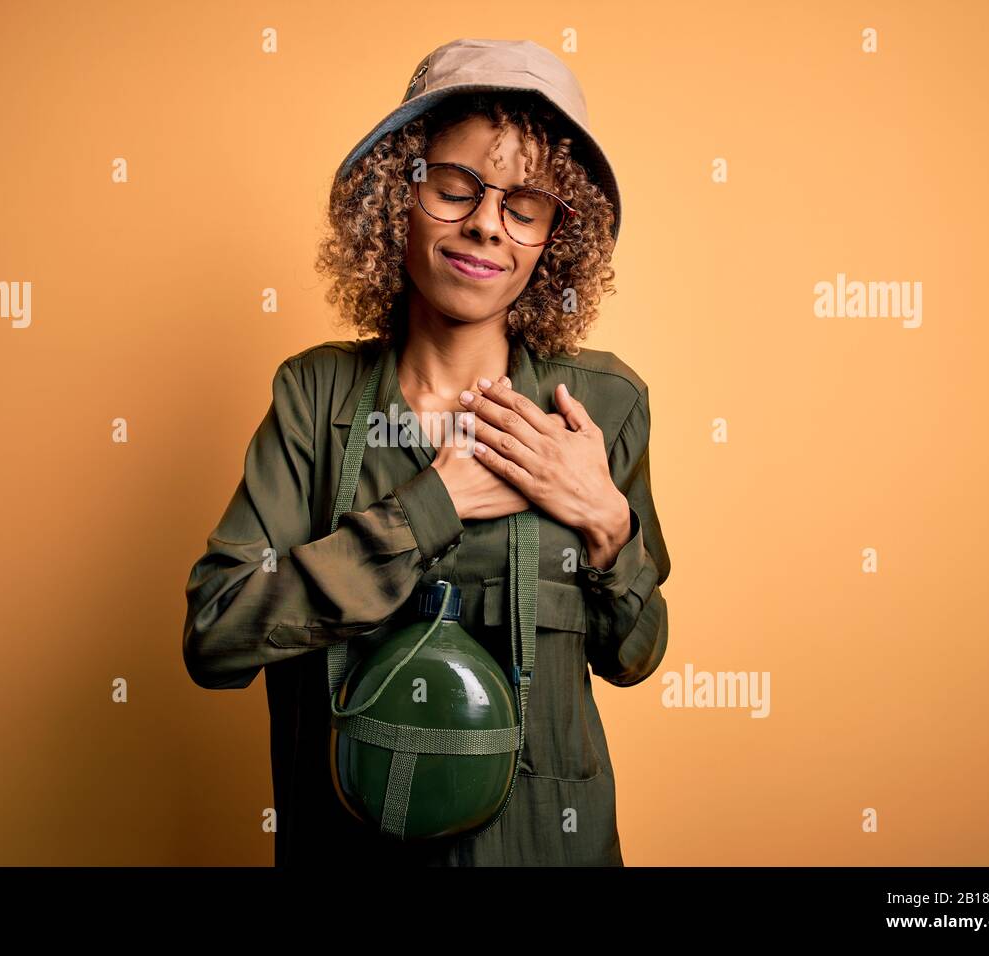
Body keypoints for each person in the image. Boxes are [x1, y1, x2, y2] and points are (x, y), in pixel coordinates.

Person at [182, 38, 671, 866]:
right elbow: (216, 637)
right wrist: (428, 508)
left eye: (525, 205)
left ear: (554, 236)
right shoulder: (316, 397)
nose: (486, 222)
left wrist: (608, 525)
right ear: (395, 198)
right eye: (455, 189)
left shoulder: (603, 405)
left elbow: (636, 653)